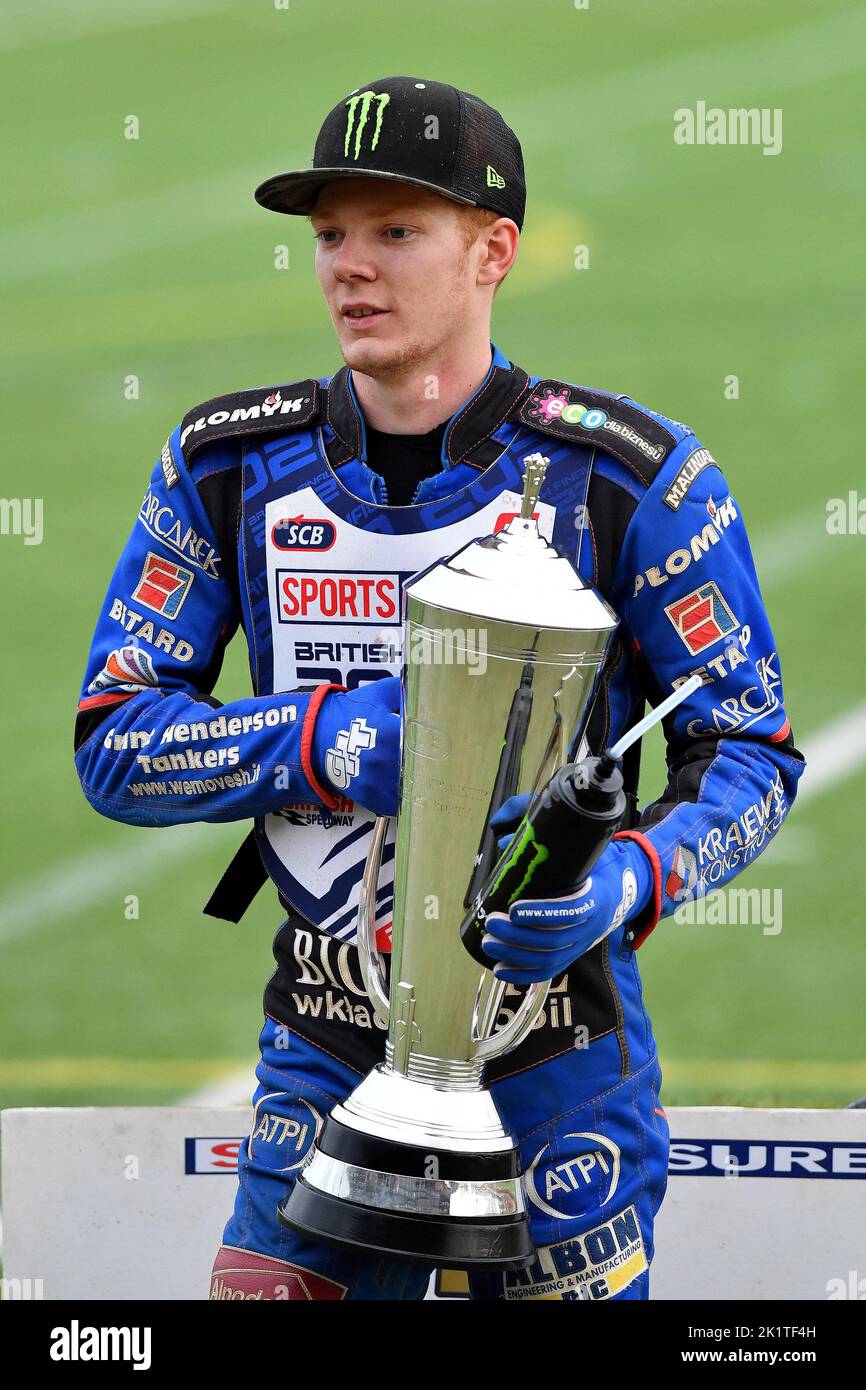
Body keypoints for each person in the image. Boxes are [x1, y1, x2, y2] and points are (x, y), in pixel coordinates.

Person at [74, 76, 805, 1301]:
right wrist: (334, 741)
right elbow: (113, 742)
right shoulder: (225, 462)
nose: (349, 268)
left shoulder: (630, 476)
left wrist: (628, 875)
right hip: (323, 1027)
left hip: (556, 1031)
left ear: (492, 251)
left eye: (394, 231)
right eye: (328, 236)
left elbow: (750, 750)